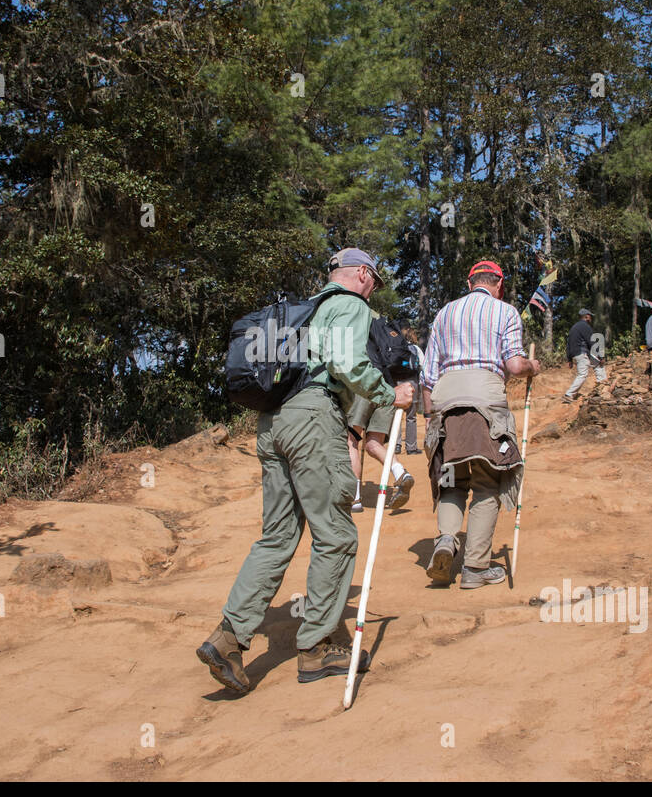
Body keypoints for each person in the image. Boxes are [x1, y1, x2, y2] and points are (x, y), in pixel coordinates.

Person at [197, 248, 415, 694]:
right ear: (359, 274)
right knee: (336, 534)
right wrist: (389, 394)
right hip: (312, 419)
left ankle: (229, 638)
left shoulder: (304, 310)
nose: (374, 287)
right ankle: (316, 648)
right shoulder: (349, 305)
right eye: (373, 278)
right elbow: (346, 364)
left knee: (276, 535)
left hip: (271, 423)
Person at [421, 260, 541, 589]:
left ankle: (446, 540)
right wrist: (533, 366)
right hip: (484, 403)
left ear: (470, 281)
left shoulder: (444, 313)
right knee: (488, 482)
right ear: (499, 285)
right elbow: (515, 366)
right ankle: (475, 567)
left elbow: (428, 376)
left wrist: (432, 416)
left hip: (446, 404)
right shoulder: (505, 312)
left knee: (451, 482)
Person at [563, 308, 607, 403]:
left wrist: (569, 359)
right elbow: (592, 342)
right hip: (582, 353)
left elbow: (568, 344)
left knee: (598, 364)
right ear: (586, 316)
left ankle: (603, 386)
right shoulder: (585, 326)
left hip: (579, 353)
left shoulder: (574, 327)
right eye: (590, 316)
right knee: (582, 374)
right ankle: (569, 394)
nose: (591, 318)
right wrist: (601, 356)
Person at [399, 327, 425, 455]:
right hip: (412, 382)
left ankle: (396, 445)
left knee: (396, 416)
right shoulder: (416, 349)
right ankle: (411, 447)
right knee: (411, 416)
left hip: (397, 382)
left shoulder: (397, 347)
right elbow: (422, 365)